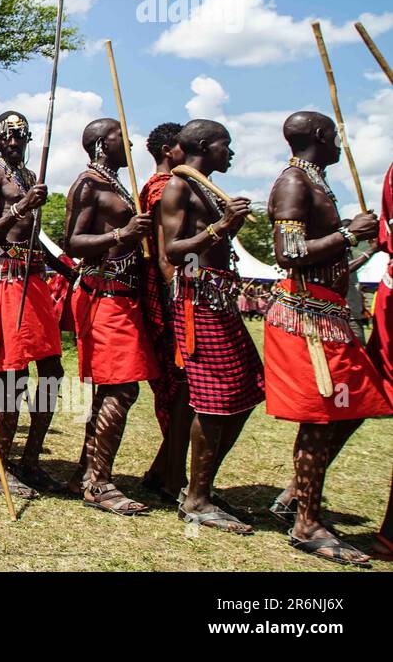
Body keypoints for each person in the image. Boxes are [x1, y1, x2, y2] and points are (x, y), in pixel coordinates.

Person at [264, 111, 393, 566]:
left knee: (349, 409)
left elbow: (328, 265)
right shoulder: (294, 182)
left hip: (327, 314)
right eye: (335, 135)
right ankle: (306, 524)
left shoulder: (316, 182)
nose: (340, 142)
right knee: (320, 419)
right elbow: (289, 254)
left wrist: (364, 250)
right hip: (305, 318)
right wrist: (347, 233)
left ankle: (295, 499)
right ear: (320, 136)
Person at [159, 119, 264, 534]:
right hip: (197, 300)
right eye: (226, 144)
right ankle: (197, 499)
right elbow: (173, 248)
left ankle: (199, 487)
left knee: (247, 389)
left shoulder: (205, 187)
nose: (231, 152)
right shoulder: (178, 186)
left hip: (219, 298)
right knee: (215, 400)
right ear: (204, 145)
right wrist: (221, 227)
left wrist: (227, 226)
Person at [0, 111, 73, 498]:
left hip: (34, 280)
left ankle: (30, 461)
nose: (15, 141)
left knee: (52, 370)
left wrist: (64, 267)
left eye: (21, 135)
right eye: (8, 136)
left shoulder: (30, 177)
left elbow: (34, 237)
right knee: (11, 376)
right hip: (5, 280)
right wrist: (21, 206)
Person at [63, 118, 159, 515]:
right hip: (102, 296)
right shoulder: (89, 185)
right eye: (123, 136)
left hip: (122, 297)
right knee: (121, 389)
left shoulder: (117, 184)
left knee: (113, 389)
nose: (132, 142)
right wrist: (122, 235)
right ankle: (99, 483)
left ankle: (87, 473)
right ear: (103, 144)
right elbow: (72, 241)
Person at [138, 121, 192, 502]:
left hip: (184, 296)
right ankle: (172, 474)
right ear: (171, 149)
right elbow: (166, 255)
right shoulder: (162, 189)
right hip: (174, 299)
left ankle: (164, 467)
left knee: (187, 389)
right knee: (180, 388)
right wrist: (179, 298)